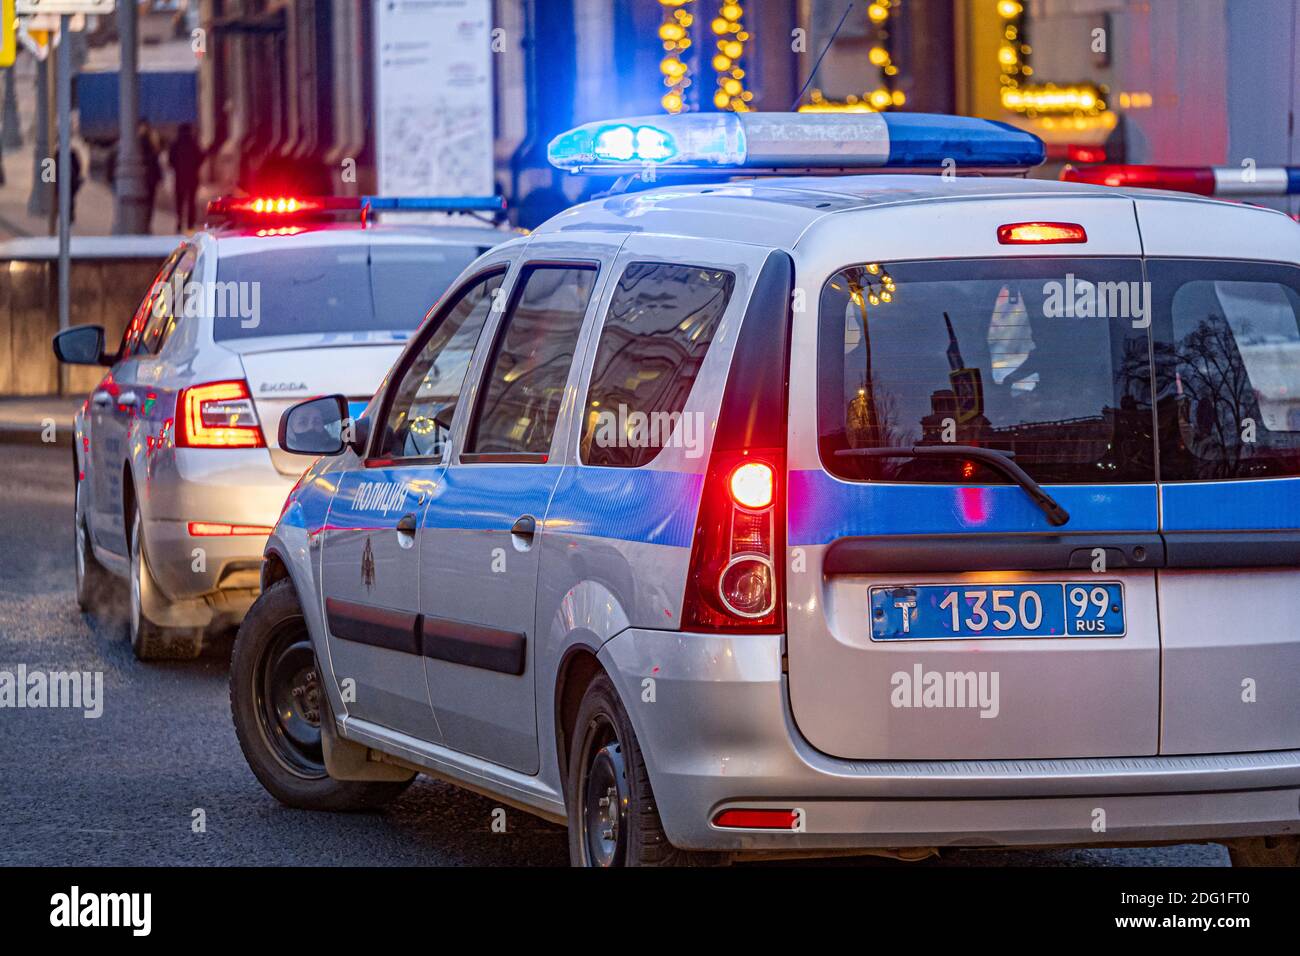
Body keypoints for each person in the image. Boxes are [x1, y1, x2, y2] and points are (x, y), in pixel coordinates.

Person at [167, 123, 204, 232]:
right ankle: (190, 225)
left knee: (179, 201)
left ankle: (179, 222)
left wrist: (177, 168)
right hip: (192, 178)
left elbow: (170, 161)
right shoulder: (193, 144)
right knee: (191, 202)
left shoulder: (175, 145)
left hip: (179, 178)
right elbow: (200, 158)